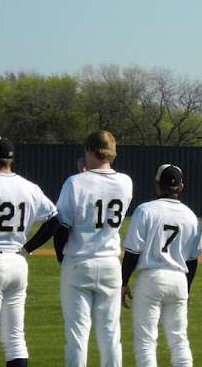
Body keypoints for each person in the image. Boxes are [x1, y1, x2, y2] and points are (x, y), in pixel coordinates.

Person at [0, 136, 61, 367]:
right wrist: (27, 250)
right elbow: (54, 220)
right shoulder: (29, 186)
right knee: (15, 339)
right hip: (17, 263)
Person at [54, 130, 134, 367]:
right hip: (110, 262)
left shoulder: (75, 182)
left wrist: (63, 259)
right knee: (110, 335)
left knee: (78, 336)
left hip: (79, 259)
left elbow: (62, 226)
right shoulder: (125, 181)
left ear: (90, 150)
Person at [121, 164, 202, 367]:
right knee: (179, 342)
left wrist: (123, 282)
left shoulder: (145, 210)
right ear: (181, 187)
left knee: (146, 343)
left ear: (156, 185)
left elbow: (133, 252)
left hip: (151, 278)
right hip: (179, 279)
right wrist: (188, 290)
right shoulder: (191, 217)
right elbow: (193, 261)